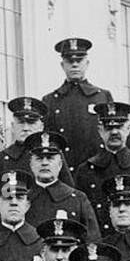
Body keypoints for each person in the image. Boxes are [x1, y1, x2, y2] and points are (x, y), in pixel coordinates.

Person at [74, 99, 130, 229]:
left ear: (128, 128)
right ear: (100, 130)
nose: (114, 132)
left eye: (119, 126)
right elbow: (81, 216)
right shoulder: (86, 170)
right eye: (108, 127)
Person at [42, 37, 113, 168]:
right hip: (64, 170)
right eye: (70, 61)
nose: (75, 65)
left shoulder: (102, 97)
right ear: (62, 65)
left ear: (87, 63)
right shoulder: (50, 100)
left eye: (79, 60)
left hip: (96, 170)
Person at [22, 129, 100, 238]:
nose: (44, 163)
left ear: (60, 164)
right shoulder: (22, 199)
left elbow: (92, 240)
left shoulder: (78, 199)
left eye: (50, 158)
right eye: (39, 159)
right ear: (31, 164)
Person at [0, 170, 47, 261]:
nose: (13, 203)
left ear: (27, 205)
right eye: (7, 198)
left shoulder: (41, 242)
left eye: (19, 198)